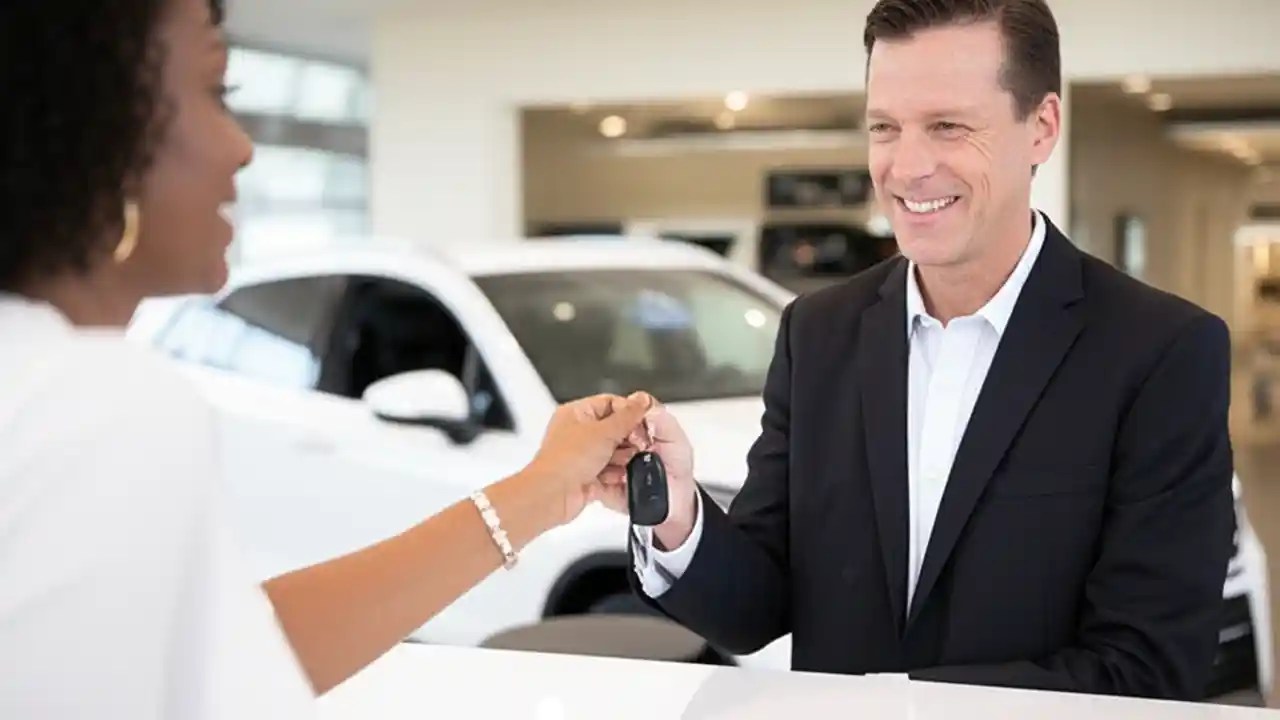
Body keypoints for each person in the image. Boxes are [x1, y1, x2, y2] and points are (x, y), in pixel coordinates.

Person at [0, 1, 653, 717]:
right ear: (96, 124)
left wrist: (544, 489)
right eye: (218, 93)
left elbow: (242, 648)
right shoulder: (92, 403)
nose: (242, 146)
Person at [607, 0, 1236, 701]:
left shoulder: (1161, 353)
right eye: (885, 128)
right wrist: (676, 514)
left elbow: (1148, 669)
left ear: (1042, 128)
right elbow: (757, 607)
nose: (907, 168)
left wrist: (891, 704)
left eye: (948, 127)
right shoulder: (819, 333)